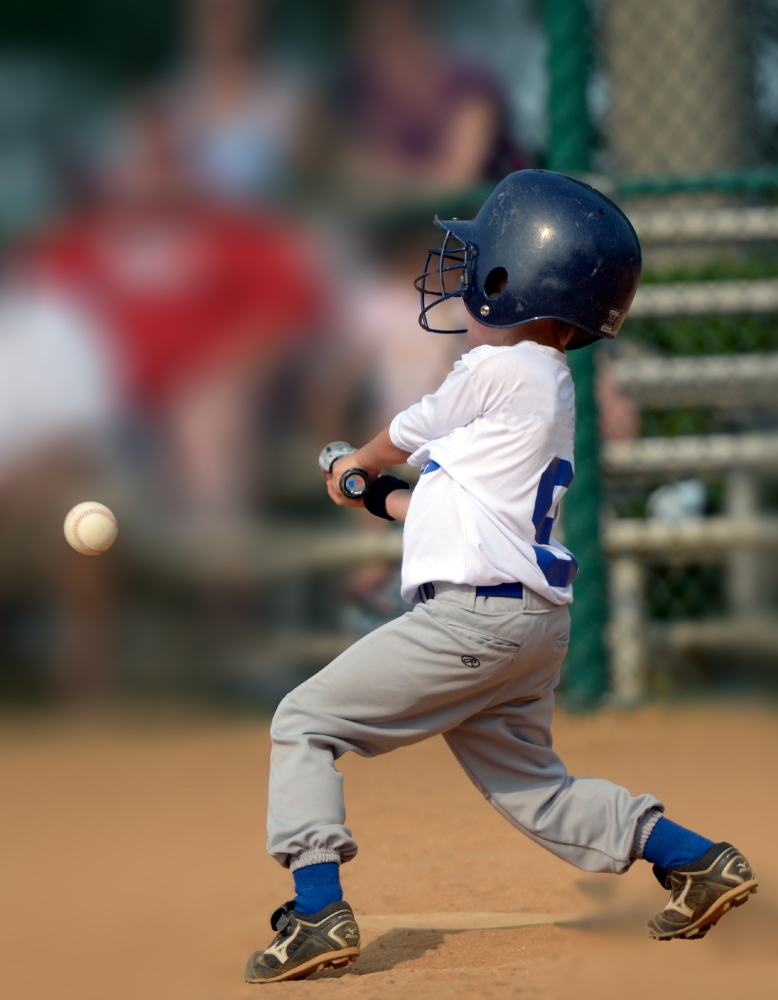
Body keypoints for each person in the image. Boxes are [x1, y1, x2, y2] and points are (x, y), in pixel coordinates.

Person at [244, 171, 757, 984]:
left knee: (304, 721)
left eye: (482, 256)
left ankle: (315, 912)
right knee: (538, 794)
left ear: (522, 277)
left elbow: (412, 428)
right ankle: (698, 861)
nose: (464, 268)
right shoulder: (536, 391)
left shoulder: (506, 364)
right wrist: (377, 497)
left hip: (473, 625)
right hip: (521, 627)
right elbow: (445, 506)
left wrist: (356, 459)